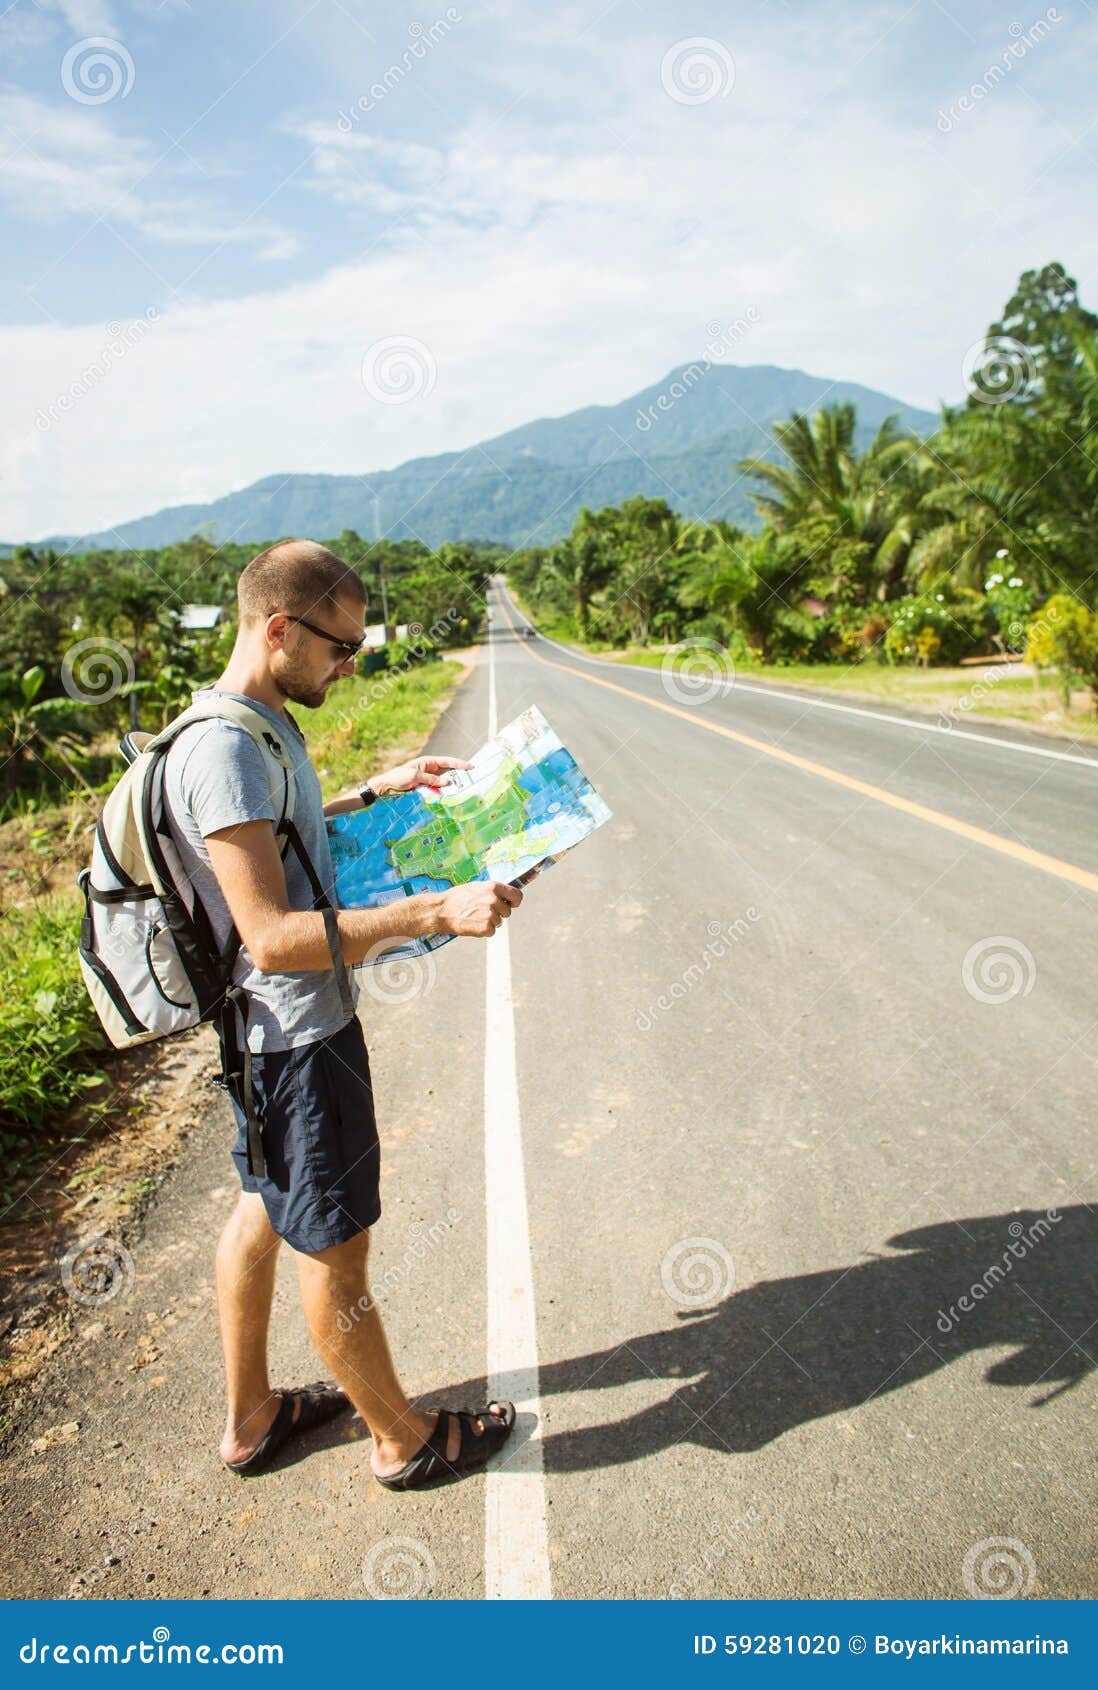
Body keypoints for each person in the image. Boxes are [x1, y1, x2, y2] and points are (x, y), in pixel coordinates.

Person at [163, 538, 522, 1491]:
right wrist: (436, 911)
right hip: (296, 1042)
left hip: (261, 1040)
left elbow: (283, 842)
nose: (351, 663)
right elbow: (274, 935)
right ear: (279, 630)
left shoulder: (257, 720)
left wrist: (382, 786)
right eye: (341, 647)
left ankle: (252, 1418)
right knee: (334, 1248)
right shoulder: (229, 748)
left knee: (262, 1209)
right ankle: (403, 1439)